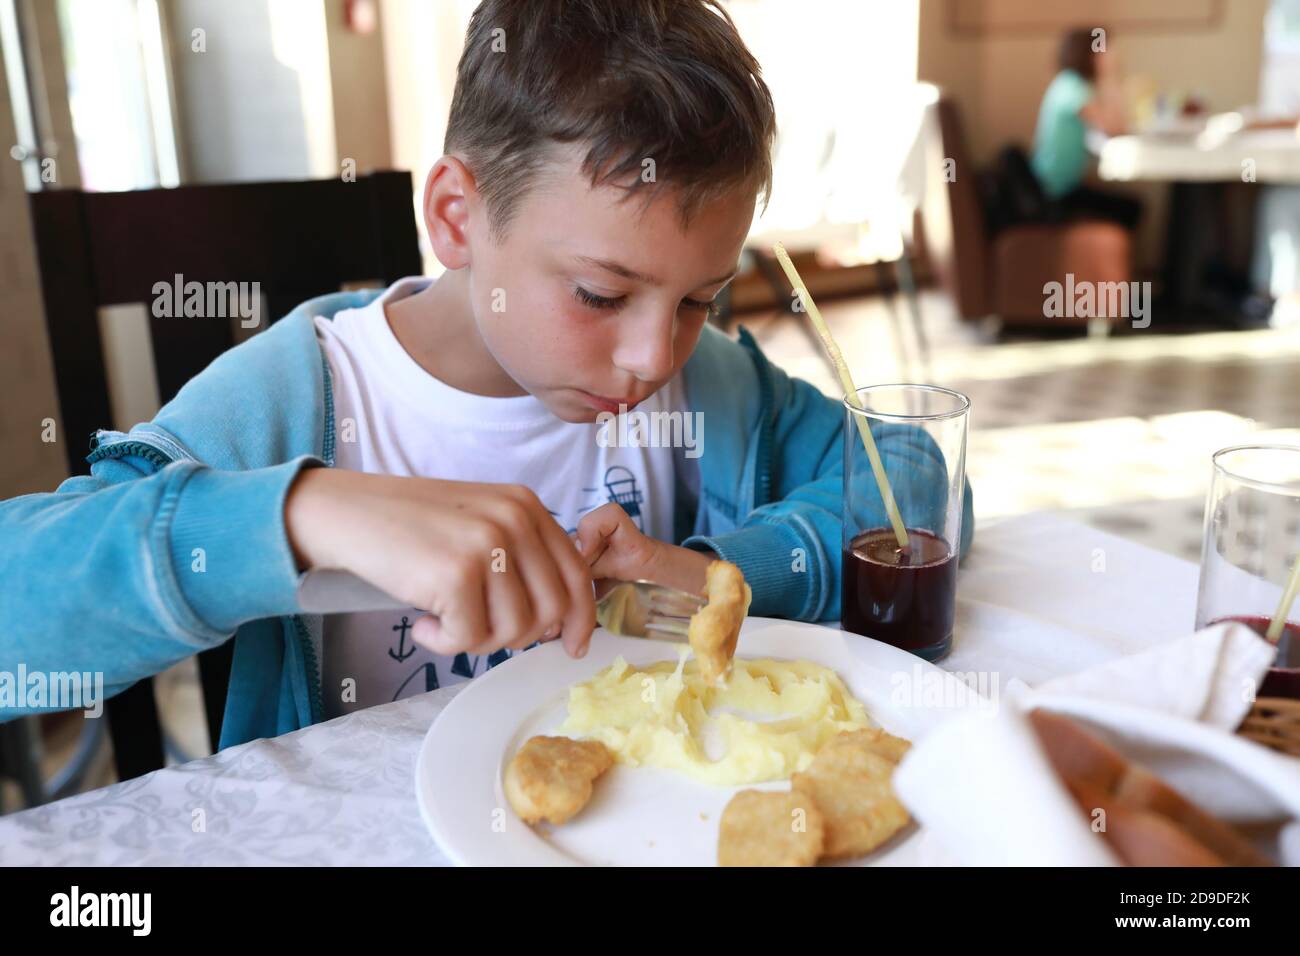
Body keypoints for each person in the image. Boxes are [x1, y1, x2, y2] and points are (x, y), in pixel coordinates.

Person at [0, 0, 973, 744]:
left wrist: (724, 576)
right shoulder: (302, 397)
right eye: (599, 293)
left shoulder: (708, 386)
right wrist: (304, 514)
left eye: (696, 299)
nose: (651, 355)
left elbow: (912, 480)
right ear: (458, 218)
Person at [1031, 26, 1141, 230]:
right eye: (1106, 50)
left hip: (1058, 185)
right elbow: (1115, 128)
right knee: (1131, 208)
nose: (1113, 55)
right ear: (1091, 54)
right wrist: (1110, 77)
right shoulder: (1073, 88)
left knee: (1128, 205)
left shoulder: (1071, 84)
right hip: (1056, 191)